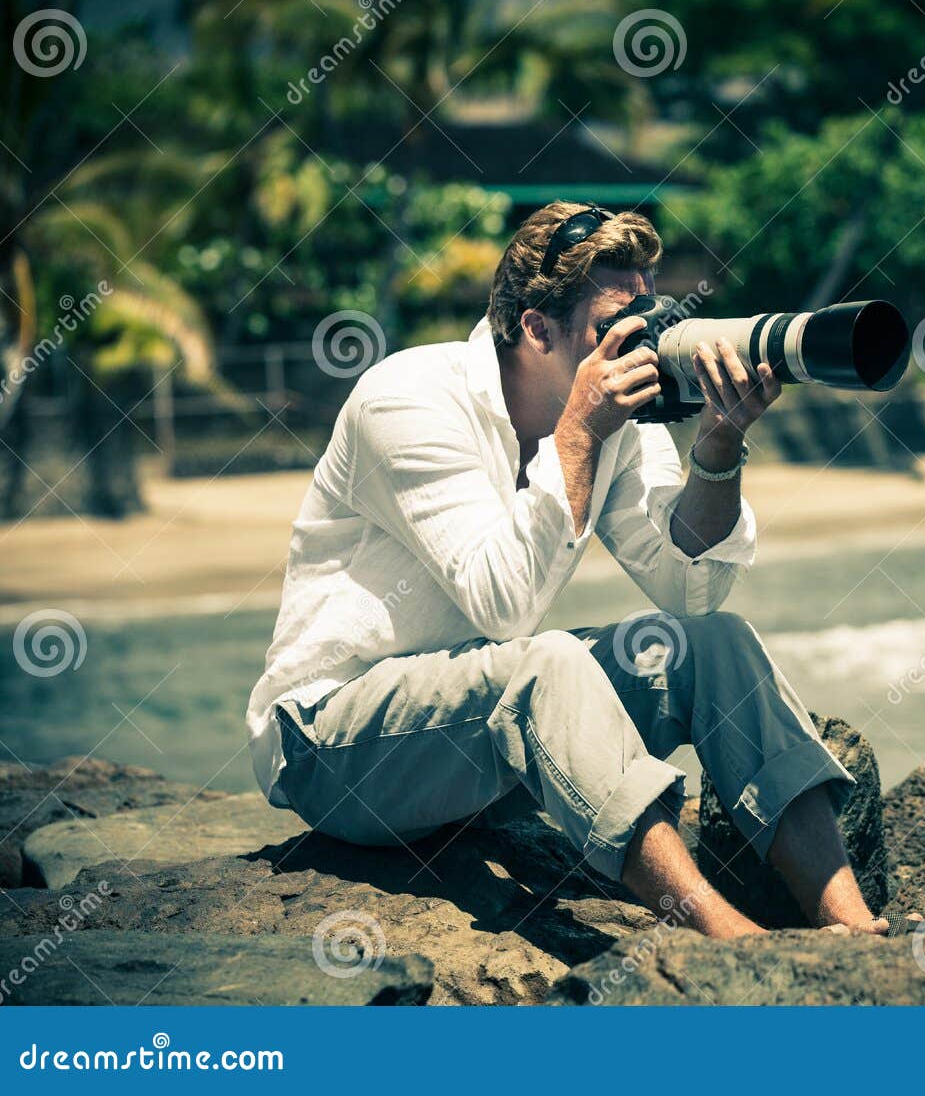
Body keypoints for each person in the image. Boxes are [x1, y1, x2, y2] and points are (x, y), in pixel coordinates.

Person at [245, 202, 890, 937]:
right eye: (609, 325)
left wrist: (717, 448)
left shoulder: (613, 412)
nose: (632, 343)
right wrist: (579, 429)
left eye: (644, 316)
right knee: (545, 661)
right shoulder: (409, 399)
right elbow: (504, 609)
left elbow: (692, 589)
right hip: (330, 745)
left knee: (718, 643)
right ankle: (729, 940)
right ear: (535, 326)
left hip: (473, 755)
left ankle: (852, 924)